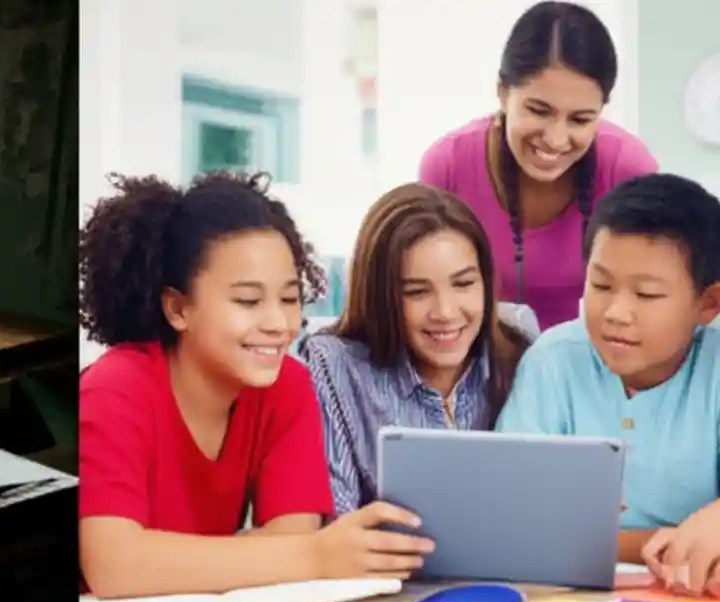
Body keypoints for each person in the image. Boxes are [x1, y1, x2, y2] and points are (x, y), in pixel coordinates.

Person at [78, 171, 434, 598]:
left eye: (289, 298)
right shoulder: (115, 389)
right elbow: (115, 568)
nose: (278, 324)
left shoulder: (287, 384)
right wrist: (316, 556)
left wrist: (166, 560)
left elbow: (290, 537)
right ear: (177, 308)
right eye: (248, 301)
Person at [495, 173, 720, 573]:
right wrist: (660, 544)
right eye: (600, 284)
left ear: (709, 303)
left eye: (646, 294)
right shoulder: (554, 360)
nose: (615, 313)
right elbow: (511, 518)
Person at [419, 0, 657, 330]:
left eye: (580, 119)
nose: (557, 139)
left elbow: (651, 305)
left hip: (598, 370)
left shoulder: (629, 170)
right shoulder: (447, 166)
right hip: (476, 366)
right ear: (503, 93)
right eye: (539, 111)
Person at [299, 184, 531, 516]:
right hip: (382, 568)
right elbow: (335, 524)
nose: (446, 312)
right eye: (417, 292)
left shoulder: (521, 347)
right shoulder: (334, 364)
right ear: (381, 297)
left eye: (464, 284)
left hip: (514, 566)